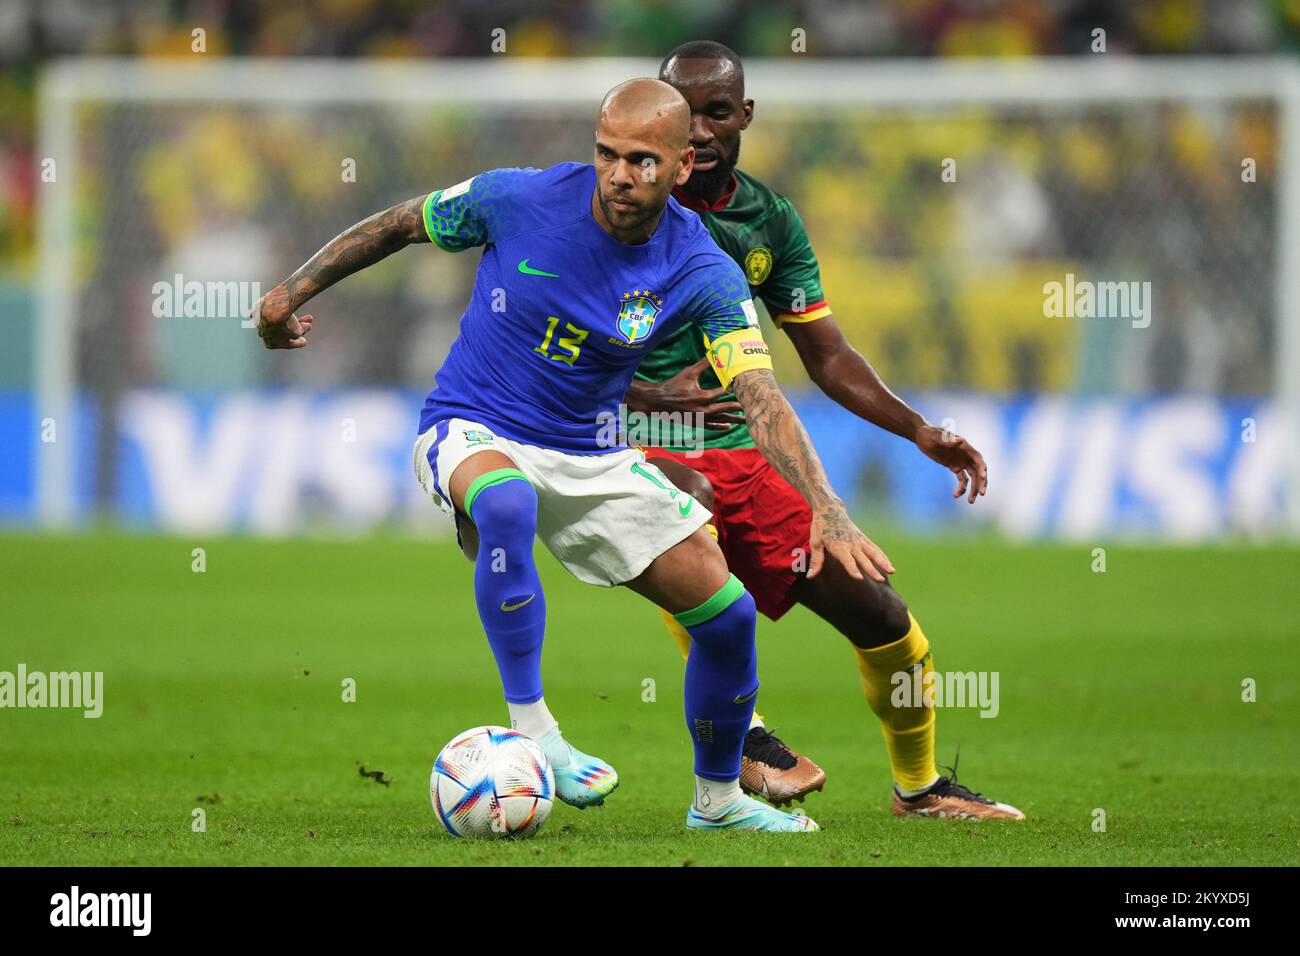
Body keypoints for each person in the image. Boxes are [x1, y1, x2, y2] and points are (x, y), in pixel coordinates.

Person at [254, 77, 893, 832]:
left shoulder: (703, 269)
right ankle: (536, 732)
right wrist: (286, 295)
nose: (621, 175)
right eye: (607, 155)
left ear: (684, 165)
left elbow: (761, 394)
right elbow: (400, 224)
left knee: (727, 615)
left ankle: (718, 804)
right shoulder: (519, 199)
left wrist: (828, 505)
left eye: (643, 161)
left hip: (591, 453)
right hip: (473, 423)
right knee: (507, 501)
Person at [629, 42, 1023, 820]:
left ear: (745, 116)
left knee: (882, 614)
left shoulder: (766, 220)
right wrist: (637, 391)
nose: (701, 132)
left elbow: (826, 352)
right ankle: (743, 737)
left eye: (718, 112)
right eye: (686, 114)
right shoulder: (623, 204)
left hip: (741, 442)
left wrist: (917, 429)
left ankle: (921, 788)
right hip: (630, 433)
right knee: (692, 507)